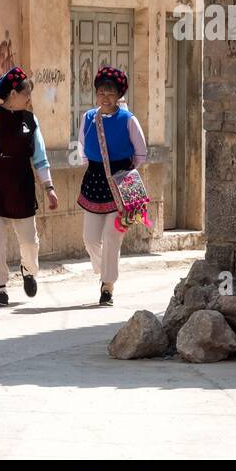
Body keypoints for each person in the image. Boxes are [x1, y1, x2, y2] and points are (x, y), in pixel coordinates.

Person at [0, 67, 58, 306]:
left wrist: (49, 187)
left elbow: (40, 157)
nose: (29, 98)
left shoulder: (30, 120)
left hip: (22, 185)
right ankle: (1, 289)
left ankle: (28, 269)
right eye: (26, 93)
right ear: (13, 94)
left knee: (29, 241)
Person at [77, 66, 147, 306]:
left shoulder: (128, 120)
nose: (105, 97)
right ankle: (102, 267)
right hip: (95, 182)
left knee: (112, 235)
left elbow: (141, 153)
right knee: (90, 238)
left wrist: (124, 173)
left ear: (119, 96)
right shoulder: (88, 118)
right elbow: (83, 148)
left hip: (122, 182)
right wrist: (96, 168)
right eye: (101, 93)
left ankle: (107, 285)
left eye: (110, 93)